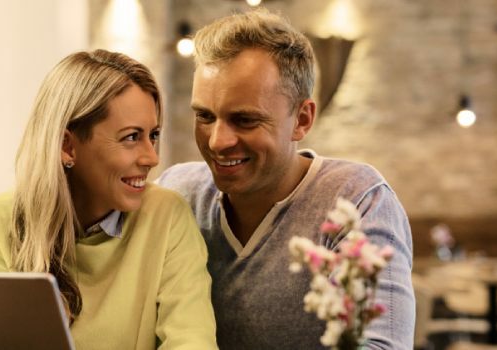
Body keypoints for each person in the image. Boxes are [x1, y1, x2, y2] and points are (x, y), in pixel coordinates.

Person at [156, 9, 415, 350]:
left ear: (302, 120)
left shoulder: (356, 199)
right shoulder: (177, 193)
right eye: (204, 116)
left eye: (245, 120)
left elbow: (381, 345)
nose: (218, 141)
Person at [0, 50, 217, 350]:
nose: (152, 158)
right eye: (131, 137)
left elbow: (192, 342)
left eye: (152, 135)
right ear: (67, 146)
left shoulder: (167, 215)